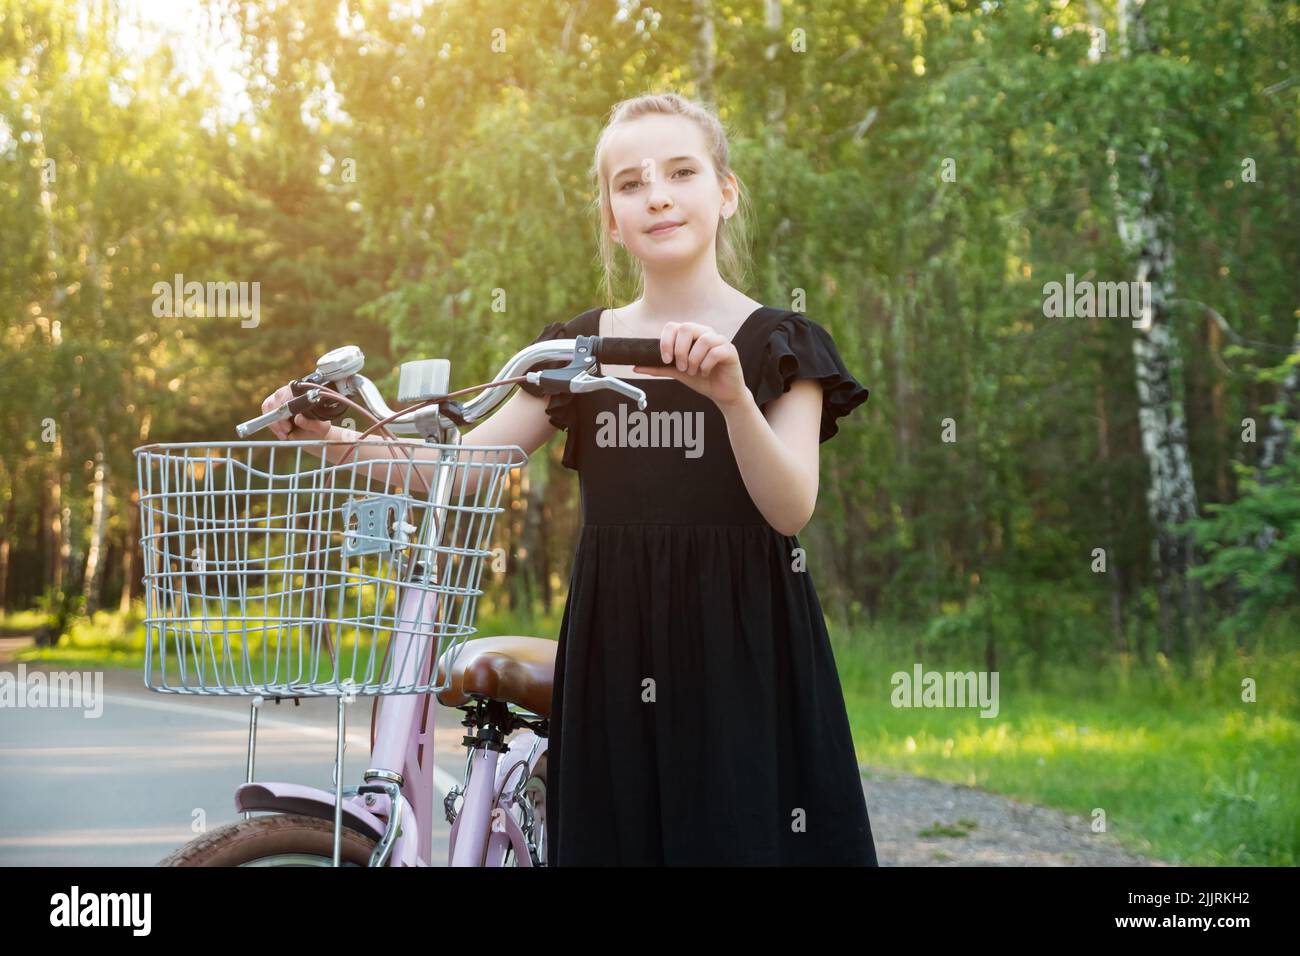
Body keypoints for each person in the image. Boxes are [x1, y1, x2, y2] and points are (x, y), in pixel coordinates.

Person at [262, 91, 878, 866]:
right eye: (630, 183)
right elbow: (465, 471)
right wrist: (333, 441)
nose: (657, 195)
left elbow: (789, 509)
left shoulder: (781, 344)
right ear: (611, 219)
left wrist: (731, 399)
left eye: (681, 172)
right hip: (615, 646)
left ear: (725, 193)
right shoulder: (579, 351)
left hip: (742, 651)